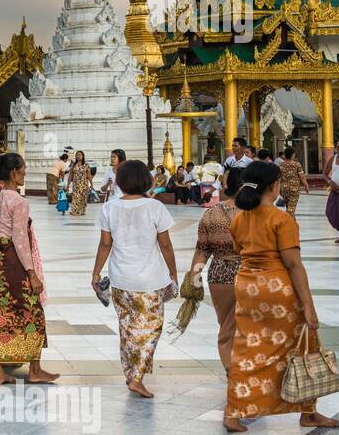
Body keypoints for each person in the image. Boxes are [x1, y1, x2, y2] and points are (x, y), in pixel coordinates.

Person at [224, 161, 339, 433]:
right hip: (277, 289)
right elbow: (293, 264)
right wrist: (309, 307)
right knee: (303, 346)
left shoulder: (239, 218)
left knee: (247, 349)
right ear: (274, 186)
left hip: (247, 287)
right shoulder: (282, 219)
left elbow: (237, 249)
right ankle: (308, 412)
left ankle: (234, 412)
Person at [91, 159, 177, 398]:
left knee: (127, 328)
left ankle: (131, 372)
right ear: (146, 181)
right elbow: (166, 244)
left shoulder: (109, 208)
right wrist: (173, 272)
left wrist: (96, 272)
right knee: (151, 328)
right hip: (150, 279)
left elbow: (105, 243)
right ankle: (136, 378)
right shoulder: (155, 207)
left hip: (121, 278)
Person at [0, 152, 58, 386]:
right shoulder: (19, 201)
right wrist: (32, 274)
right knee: (33, 312)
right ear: (13, 173)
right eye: (23, 170)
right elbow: (20, 238)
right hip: (12, 261)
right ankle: (35, 369)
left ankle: (0, 371)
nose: (25, 174)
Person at [186, 168, 243, 373]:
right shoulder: (255, 213)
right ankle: (244, 368)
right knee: (248, 325)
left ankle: (231, 367)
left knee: (226, 324)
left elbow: (202, 250)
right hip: (250, 275)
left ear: (227, 187)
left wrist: (194, 276)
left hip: (220, 275)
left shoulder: (211, 214)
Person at [278, 147, 310, 216]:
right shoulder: (297, 164)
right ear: (293, 155)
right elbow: (302, 177)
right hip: (294, 189)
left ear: (285, 155)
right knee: (291, 210)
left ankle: (291, 223)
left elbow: (278, 178)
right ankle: (288, 223)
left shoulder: (281, 165)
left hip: (284, 189)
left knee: (288, 207)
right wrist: (306, 186)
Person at [67, 150, 92, 216]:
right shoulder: (73, 165)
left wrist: (91, 184)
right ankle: (74, 211)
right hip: (76, 184)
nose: (78, 156)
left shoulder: (86, 165)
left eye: (80, 155)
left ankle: (82, 211)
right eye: (77, 155)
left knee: (83, 198)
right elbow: (70, 175)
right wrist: (68, 184)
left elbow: (89, 175)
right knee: (75, 197)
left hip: (84, 184)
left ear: (83, 156)